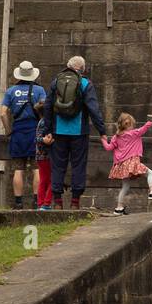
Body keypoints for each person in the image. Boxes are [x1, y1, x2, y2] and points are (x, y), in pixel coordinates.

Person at [41, 55, 106, 210]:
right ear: (82, 69)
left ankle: (57, 201)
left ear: (68, 66)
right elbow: (93, 109)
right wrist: (102, 130)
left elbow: (48, 107)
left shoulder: (56, 82)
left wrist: (47, 131)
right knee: (78, 165)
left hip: (58, 131)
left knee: (58, 166)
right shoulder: (85, 83)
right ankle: (75, 202)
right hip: (79, 132)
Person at [0, 59, 46, 208]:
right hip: (35, 130)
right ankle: (36, 201)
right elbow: (45, 110)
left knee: (18, 168)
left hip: (18, 130)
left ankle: (18, 203)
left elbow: (3, 113)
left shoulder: (11, 91)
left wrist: (8, 130)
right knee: (36, 168)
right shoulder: (39, 90)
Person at [102, 108, 152, 214]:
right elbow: (146, 127)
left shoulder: (116, 137)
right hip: (132, 162)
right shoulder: (134, 133)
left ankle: (118, 209)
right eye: (132, 124)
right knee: (150, 173)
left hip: (121, 165)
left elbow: (108, 148)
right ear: (129, 125)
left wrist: (103, 139)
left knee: (125, 186)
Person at [34, 101, 53, 210]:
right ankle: (46, 203)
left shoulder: (40, 121)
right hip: (46, 156)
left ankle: (41, 203)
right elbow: (38, 138)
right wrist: (45, 140)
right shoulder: (45, 122)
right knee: (52, 180)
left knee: (43, 180)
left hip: (40, 156)